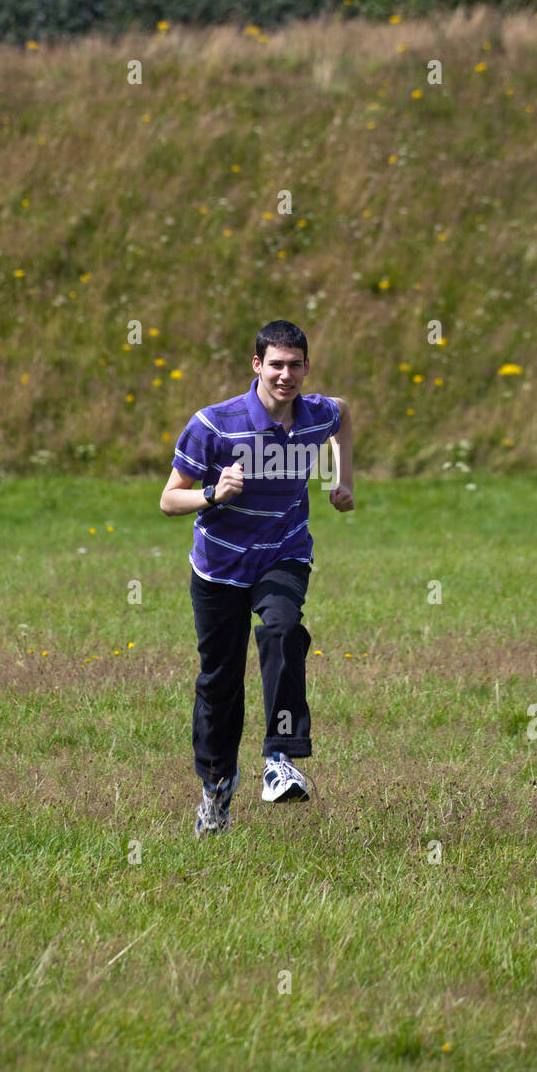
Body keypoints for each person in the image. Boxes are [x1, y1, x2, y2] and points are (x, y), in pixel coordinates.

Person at [159, 319, 354, 836]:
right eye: (276, 365)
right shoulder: (214, 424)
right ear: (257, 366)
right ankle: (217, 789)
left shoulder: (315, 415)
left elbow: (344, 418)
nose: (285, 375)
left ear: (307, 367)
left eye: (295, 365)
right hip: (221, 567)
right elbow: (168, 498)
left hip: (283, 554)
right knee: (219, 682)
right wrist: (212, 495)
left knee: (283, 630)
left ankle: (280, 759)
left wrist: (342, 481)